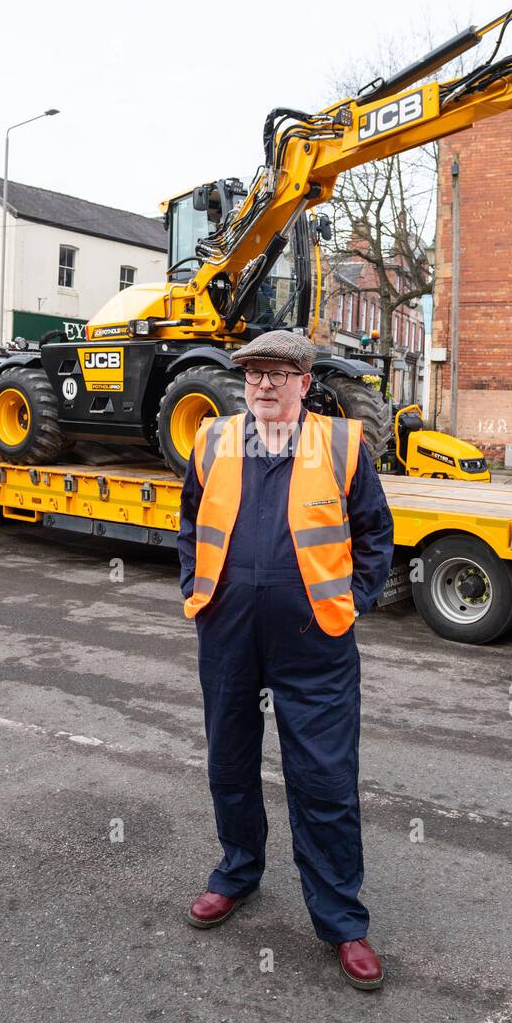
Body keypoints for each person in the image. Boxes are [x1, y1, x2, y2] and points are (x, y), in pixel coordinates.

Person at [177, 331, 395, 989]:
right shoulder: (213, 440)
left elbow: (374, 531)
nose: (264, 385)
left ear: (305, 382)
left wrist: (355, 600)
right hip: (229, 632)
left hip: (316, 640)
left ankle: (342, 922)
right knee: (230, 764)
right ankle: (236, 874)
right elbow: (189, 520)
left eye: (278, 374)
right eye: (253, 374)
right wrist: (196, 585)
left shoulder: (342, 442)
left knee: (325, 781)